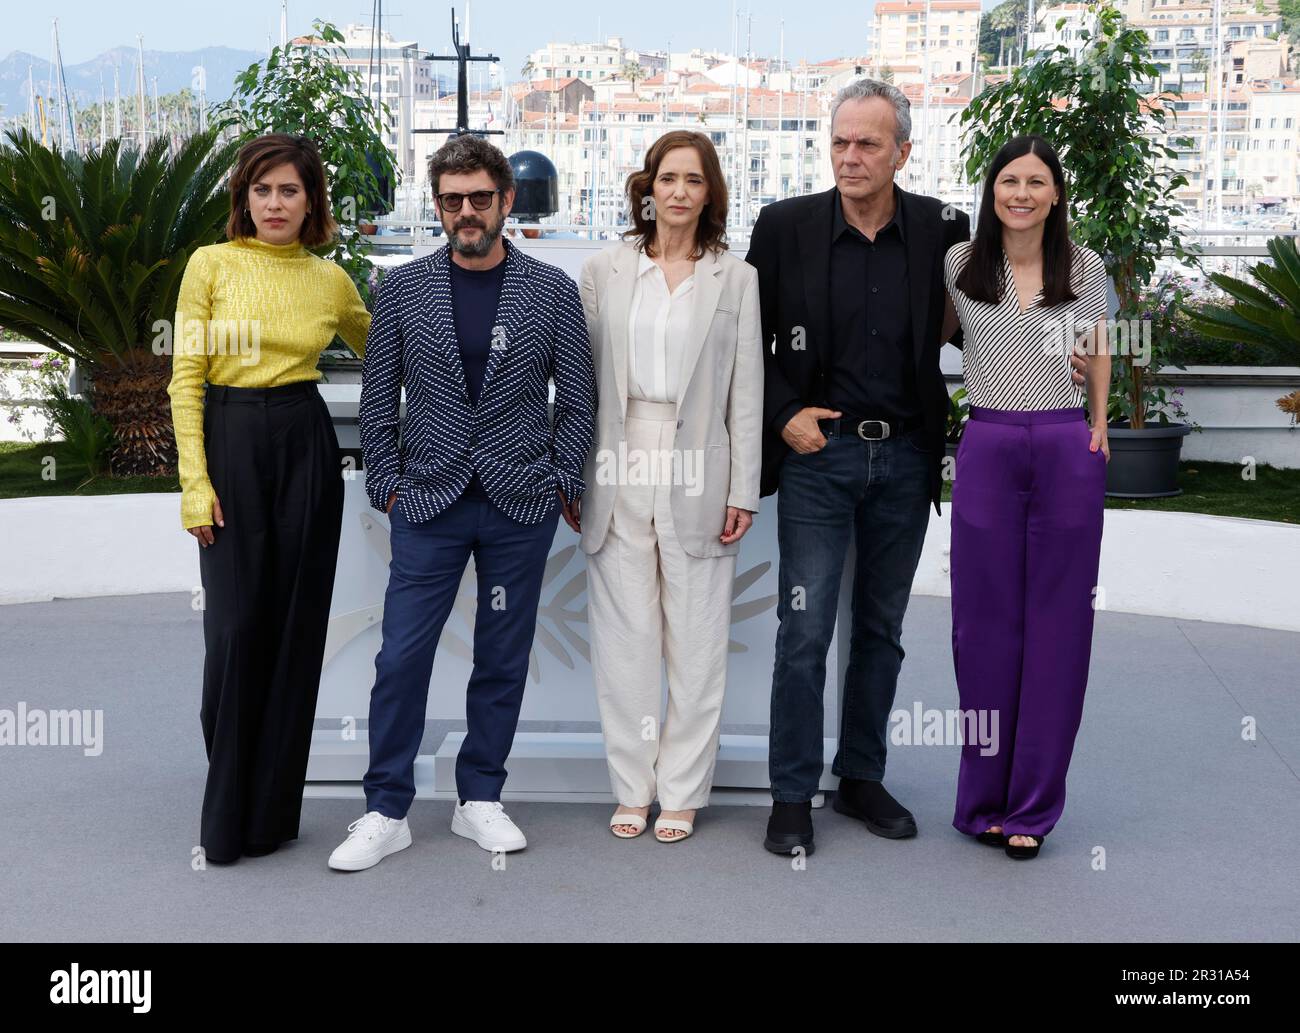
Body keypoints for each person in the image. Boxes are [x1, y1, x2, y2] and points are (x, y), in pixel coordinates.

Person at [329, 134, 596, 871]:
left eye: (482, 198)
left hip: (519, 505)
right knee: (402, 657)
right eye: (453, 200)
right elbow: (378, 398)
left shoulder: (551, 291)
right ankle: (386, 807)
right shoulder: (404, 289)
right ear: (438, 206)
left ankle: (480, 797)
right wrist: (388, 483)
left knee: (501, 656)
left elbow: (576, 403)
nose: (468, 212)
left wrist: (561, 480)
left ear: (506, 201)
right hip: (429, 504)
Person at [745, 79, 976, 856]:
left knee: (880, 627)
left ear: (902, 151)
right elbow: (748, 340)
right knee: (804, 628)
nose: (849, 156)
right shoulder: (783, 227)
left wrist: (1061, 353)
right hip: (819, 454)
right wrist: (784, 415)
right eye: (840, 141)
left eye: (867, 143)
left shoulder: (946, 228)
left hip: (907, 455)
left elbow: (977, 329)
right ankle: (790, 792)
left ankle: (861, 777)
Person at [168, 133, 371, 863]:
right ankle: (226, 814)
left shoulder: (330, 280)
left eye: (289, 190)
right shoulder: (210, 265)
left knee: (294, 630)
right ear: (243, 198)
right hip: (229, 440)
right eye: (262, 190)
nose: (275, 203)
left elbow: (385, 348)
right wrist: (196, 482)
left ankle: (269, 814)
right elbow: (185, 375)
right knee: (232, 632)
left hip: (304, 440)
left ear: (311, 199)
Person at [573, 130, 763, 843]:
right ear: (646, 187)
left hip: (701, 469)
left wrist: (742, 486)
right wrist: (574, 472)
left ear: (710, 192)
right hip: (617, 460)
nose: (678, 190)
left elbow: (746, 392)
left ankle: (681, 791)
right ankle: (632, 786)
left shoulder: (735, 278)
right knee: (625, 639)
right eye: (667, 177)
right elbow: (582, 381)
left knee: (698, 637)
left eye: (693, 179)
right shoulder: (604, 269)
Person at [941, 134, 1110, 860]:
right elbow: (937, 336)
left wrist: (1101, 423)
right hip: (988, 443)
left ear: (1056, 194)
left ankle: (1033, 809)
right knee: (982, 628)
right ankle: (982, 799)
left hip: (1068, 446)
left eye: (1036, 181)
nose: (1021, 193)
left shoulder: (1085, 264)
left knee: (1059, 628)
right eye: (1009, 179)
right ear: (991, 190)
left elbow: (1100, 344)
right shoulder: (959, 263)